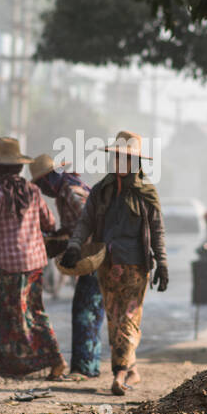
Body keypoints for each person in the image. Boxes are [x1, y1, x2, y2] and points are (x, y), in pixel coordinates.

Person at [61, 130, 168, 396]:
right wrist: (74, 247)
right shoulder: (100, 191)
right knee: (113, 320)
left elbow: (157, 231)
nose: (121, 162)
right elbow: (85, 223)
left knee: (128, 320)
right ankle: (130, 367)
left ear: (137, 163)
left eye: (127, 158)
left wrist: (162, 264)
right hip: (107, 267)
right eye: (118, 157)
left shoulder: (147, 194)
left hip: (137, 267)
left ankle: (119, 375)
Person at [0, 138, 67, 378]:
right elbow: (49, 223)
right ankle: (55, 359)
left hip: (10, 267)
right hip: (36, 263)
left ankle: (10, 364)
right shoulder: (34, 191)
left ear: (3, 169)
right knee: (35, 311)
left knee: (10, 317)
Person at [31, 152, 105, 377]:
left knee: (87, 310)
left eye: (41, 185)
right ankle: (86, 365)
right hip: (87, 253)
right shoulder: (66, 190)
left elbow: (90, 223)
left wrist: (74, 246)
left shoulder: (71, 192)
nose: (42, 191)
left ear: (48, 180)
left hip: (95, 255)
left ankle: (86, 368)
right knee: (86, 308)